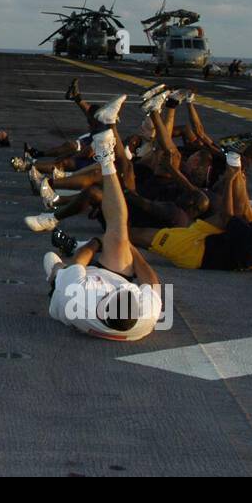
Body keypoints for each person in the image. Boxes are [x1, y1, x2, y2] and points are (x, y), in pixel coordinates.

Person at [41, 126, 163, 342]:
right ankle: (106, 158)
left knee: (57, 268)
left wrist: (96, 243)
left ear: (102, 306)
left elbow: (80, 263)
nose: (109, 291)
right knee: (118, 231)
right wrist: (128, 246)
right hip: (117, 272)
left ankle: (54, 271)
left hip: (67, 291)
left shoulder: (79, 301)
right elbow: (152, 282)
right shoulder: (145, 315)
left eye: (107, 294)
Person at [130, 149, 252, 271]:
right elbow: (247, 213)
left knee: (138, 235)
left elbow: (227, 216)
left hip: (194, 251)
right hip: (206, 239)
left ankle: (109, 241)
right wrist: (239, 176)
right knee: (241, 214)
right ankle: (237, 168)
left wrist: (230, 179)